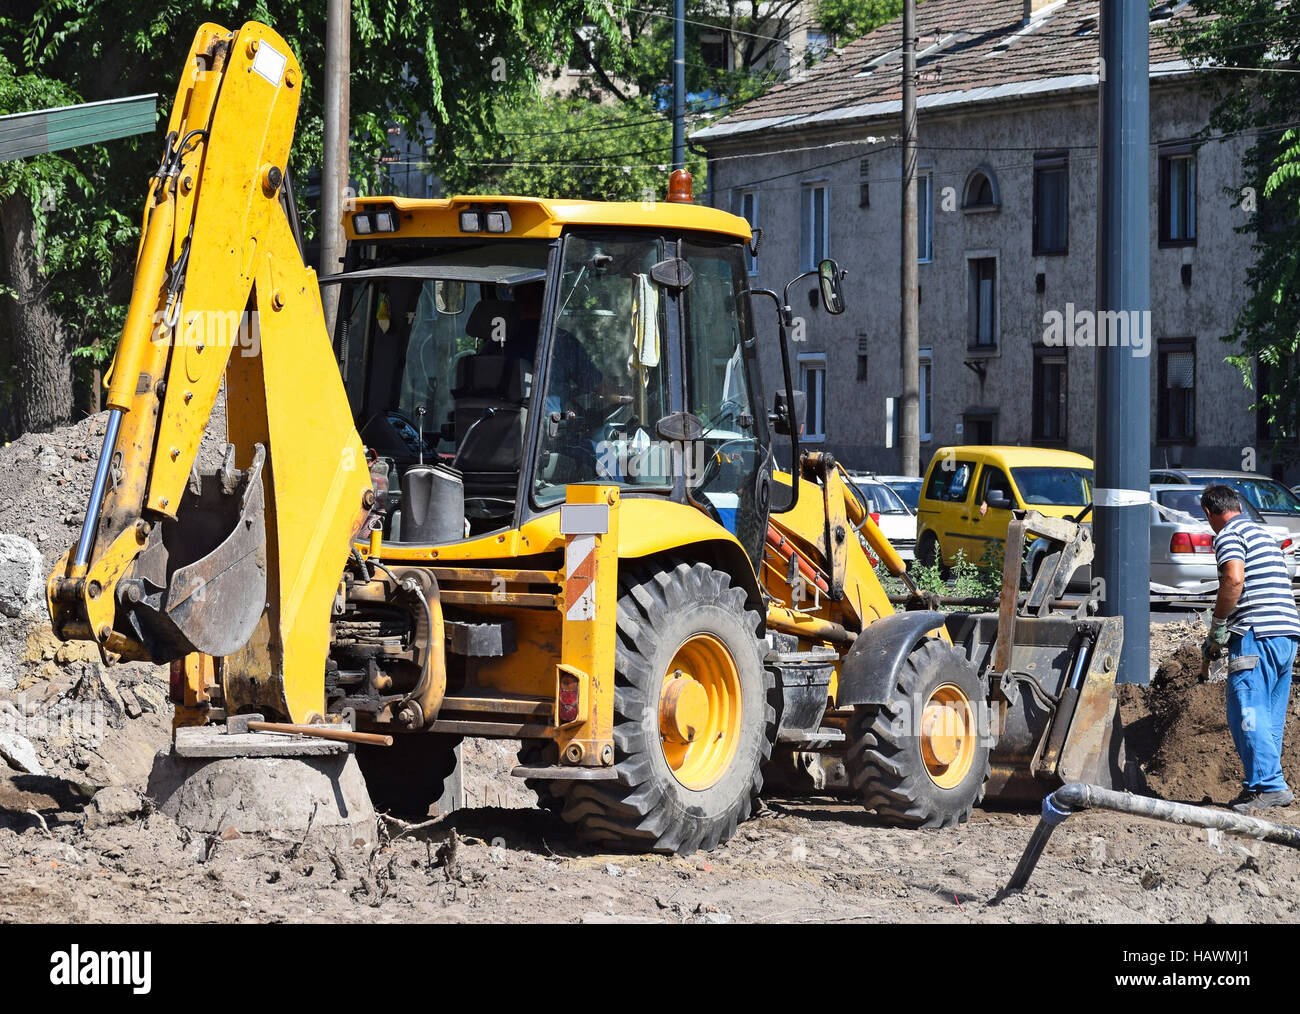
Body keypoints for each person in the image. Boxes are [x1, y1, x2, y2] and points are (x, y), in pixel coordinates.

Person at [1200, 483, 1300, 812]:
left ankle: (1270, 786)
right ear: (1240, 506)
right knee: (1267, 715)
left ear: (1209, 513)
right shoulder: (1262, 535)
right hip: (1287, 633)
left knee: (1246, 710)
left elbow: (1233, 579)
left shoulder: (1228, 534)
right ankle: (1260, 785)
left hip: (1257, 633)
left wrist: (1218, 626)